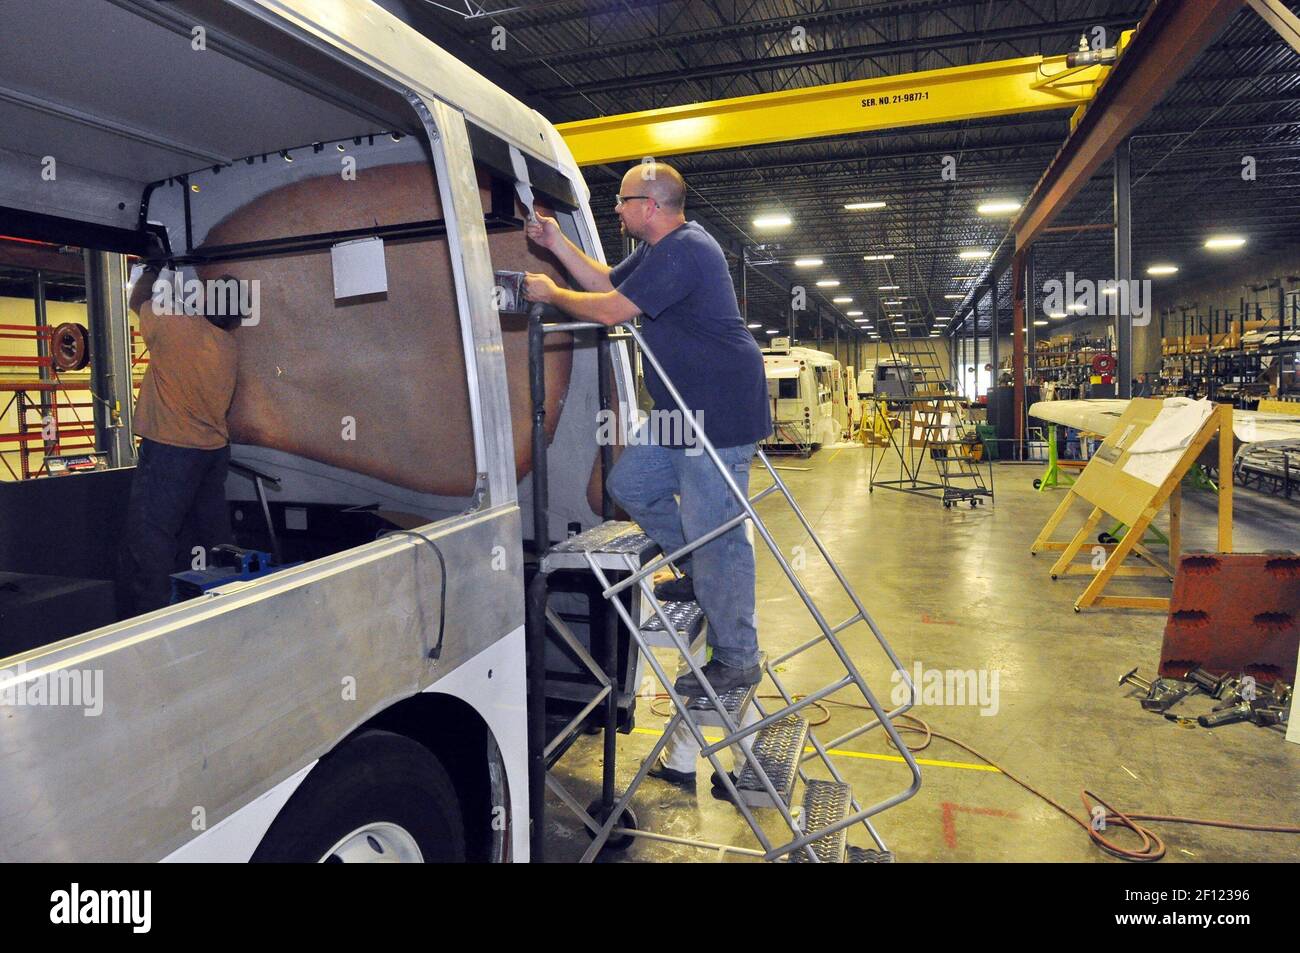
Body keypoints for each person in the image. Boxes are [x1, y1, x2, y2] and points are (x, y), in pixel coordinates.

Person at [522, 161, 772, 786]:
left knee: (718, 531)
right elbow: (606, 279)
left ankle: (737, 658)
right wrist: (556, 245)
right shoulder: (659, 249)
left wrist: (551, 294)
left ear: (652, 205)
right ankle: (692, 567)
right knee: (631, 486)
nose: (616, 210)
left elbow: (609, 310)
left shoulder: (685, 249)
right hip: (680, 411)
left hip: (717, 411)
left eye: (623, 202)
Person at [118, 265, 240, 615]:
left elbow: (138, 301)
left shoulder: (176, 328)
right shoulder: (228, 347)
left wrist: (152, 267)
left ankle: (150, 624)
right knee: (210, 539)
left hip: (172, 452)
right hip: (213, 454)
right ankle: (223, 610)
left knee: (150, 539)